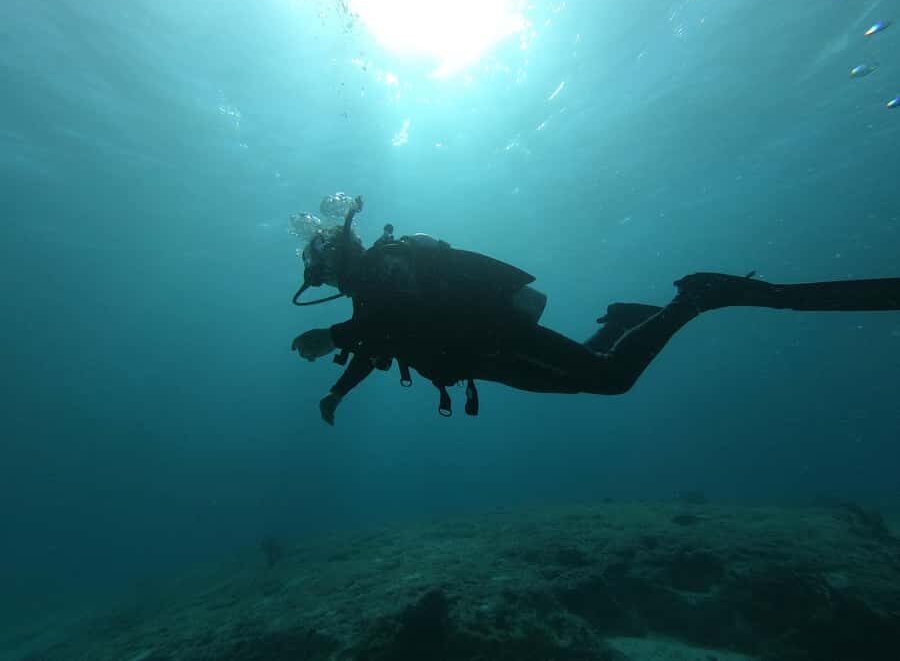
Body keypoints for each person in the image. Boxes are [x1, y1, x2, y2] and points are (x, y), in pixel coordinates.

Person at [290, 196, 900, 425]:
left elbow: (399, 324)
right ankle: (620, 318)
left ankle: (696, 301)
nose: (324, 280)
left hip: (490, 338)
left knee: (609, 381)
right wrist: (337, 395)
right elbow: (377, 345)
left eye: (321, 270)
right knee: (590, 378)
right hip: (481, 359)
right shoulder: (369, 295)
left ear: (337, 256)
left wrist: (332, 331)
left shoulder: (386, 272)